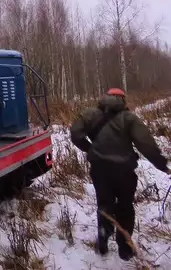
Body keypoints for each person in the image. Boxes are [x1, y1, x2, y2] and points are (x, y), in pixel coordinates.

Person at [70, 88, 170, 261]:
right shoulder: (129, 118)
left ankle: (103, 233)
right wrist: (162, 165)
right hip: (124, 171)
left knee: (104, 202)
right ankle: (125, 247)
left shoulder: (89, 114)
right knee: (125, 205)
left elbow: (75, 133)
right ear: (123, 100)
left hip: (99, 169)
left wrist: (90, 149)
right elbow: (146, 144)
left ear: (106, 98)